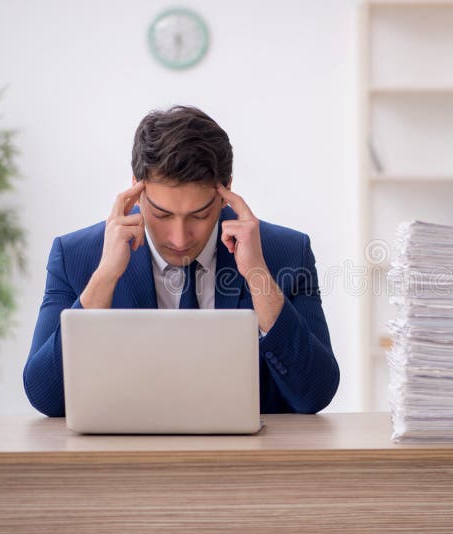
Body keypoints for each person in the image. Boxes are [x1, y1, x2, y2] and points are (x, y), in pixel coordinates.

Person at [23, 106, 340, 417]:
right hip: (126, 461)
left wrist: (257, 274)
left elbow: (314, 394)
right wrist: (105, 277)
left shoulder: (285, 252)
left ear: (226, 190)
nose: (179, 237)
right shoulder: (77, 256)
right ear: (136, 188)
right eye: (162, 214)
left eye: (199, 215)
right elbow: (46, 397)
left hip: (249, 463)